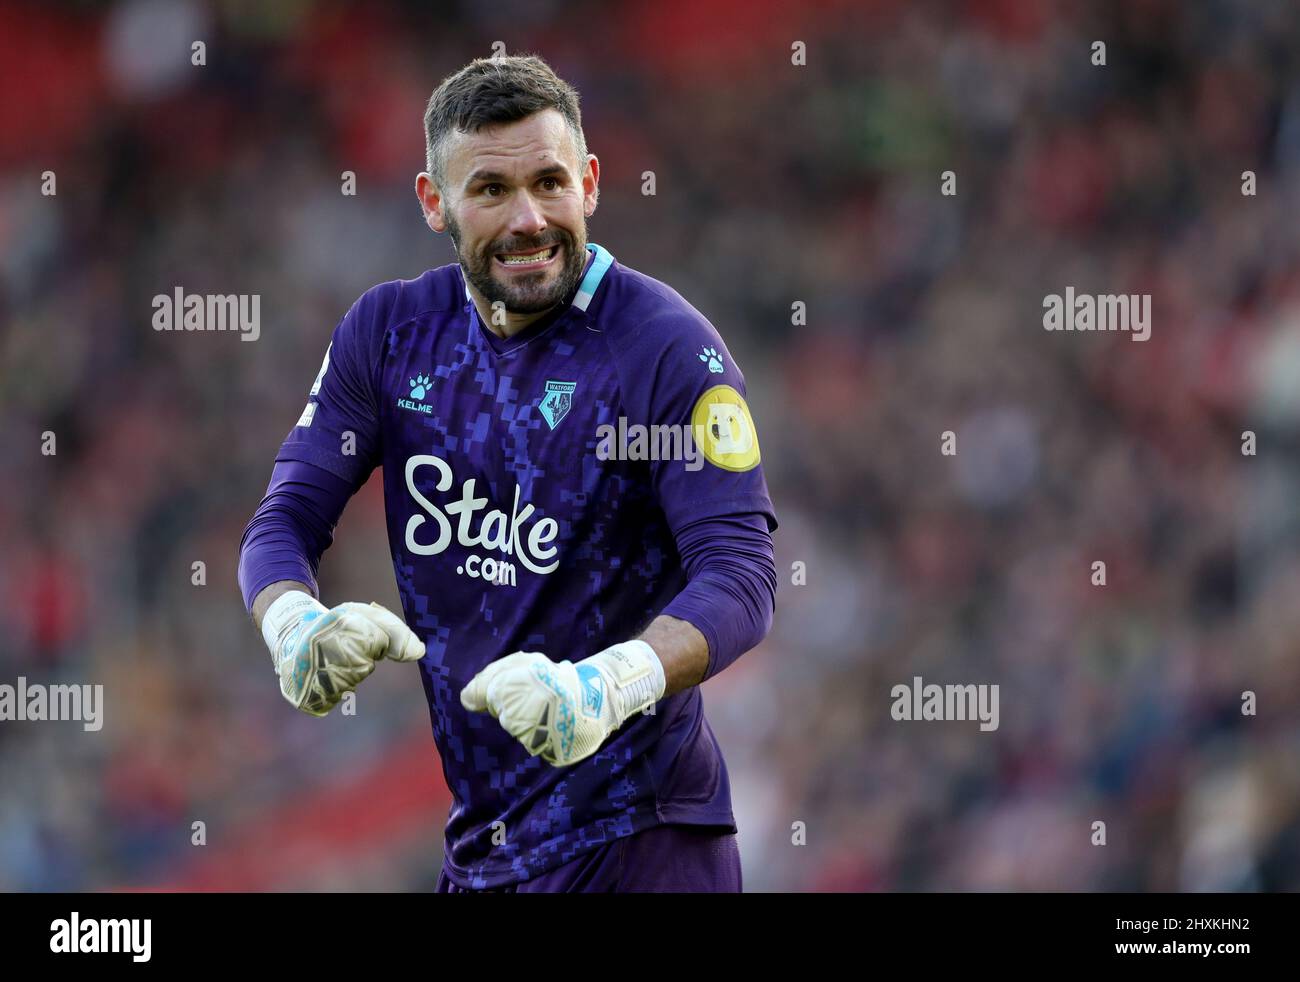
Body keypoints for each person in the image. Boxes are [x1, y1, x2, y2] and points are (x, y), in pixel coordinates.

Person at [237, 53, 777, 892]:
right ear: (434, 203)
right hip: (485, 854)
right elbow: (283, 522)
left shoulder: (665, 351)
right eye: (490, 190)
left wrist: (603, 688)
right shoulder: (388, 335)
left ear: (590, 183)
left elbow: (741, 577)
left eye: (550, 183)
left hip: (643, 840)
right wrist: (291, 626)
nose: (529, 219)